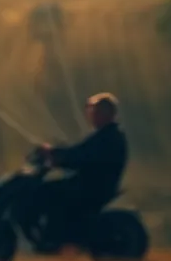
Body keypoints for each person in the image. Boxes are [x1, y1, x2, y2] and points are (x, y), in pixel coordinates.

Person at [28, 92, 128, 245]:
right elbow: (79, 152)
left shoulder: (109, 137)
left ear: (106, 113)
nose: (91, 116)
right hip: (88, 184)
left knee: (47, 192)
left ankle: (54, 237)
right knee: (50, 189)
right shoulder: (106, 135)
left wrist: (54, 154)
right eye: (91, 112)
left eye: (95, 112)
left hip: (92, 187)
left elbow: (80, 156)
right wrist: (56, 154)